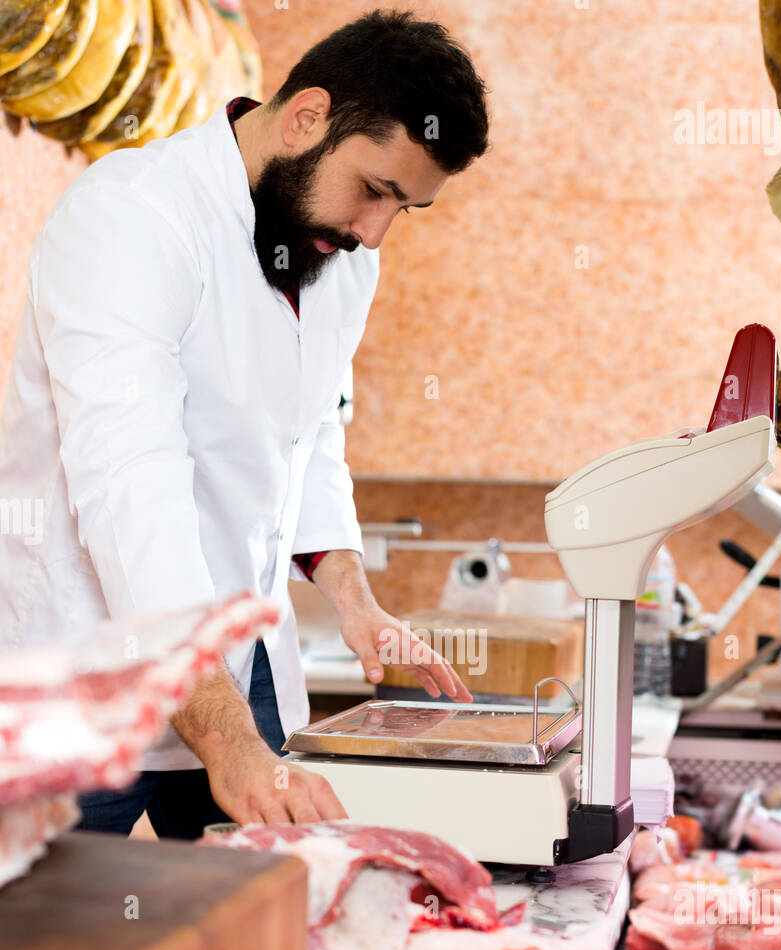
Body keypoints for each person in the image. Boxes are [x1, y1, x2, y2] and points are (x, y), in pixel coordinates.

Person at [0, 8, 490, 837]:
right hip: (89, 675)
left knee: (259, 927)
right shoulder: (132, 218)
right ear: (307, 116)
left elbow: (311, 436)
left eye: (404, 208)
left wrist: (355, 601)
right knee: (47, 947)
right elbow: (131, 493)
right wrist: (229, 743)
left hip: (244, 668)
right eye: (374, 190)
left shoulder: (335, 256)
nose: (373, 233)